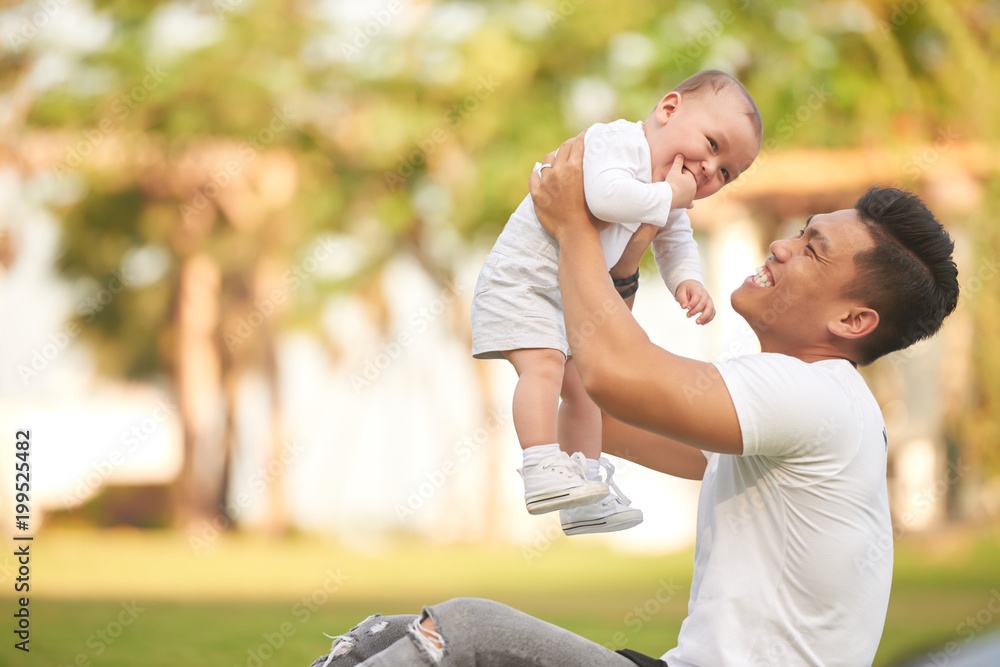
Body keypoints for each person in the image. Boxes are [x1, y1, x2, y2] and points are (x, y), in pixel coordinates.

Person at [307, 134, 960, 666]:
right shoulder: (799, 407)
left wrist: (574, 227)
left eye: (812, 251)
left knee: (464, 632)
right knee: (380, 638)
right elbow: (603, 406)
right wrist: (623, 258)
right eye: (801, 232)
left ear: (853, 321)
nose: (781, 246)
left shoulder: (815, 396)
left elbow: (615, 376)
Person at [471, 70, 762, 535]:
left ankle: (583, 487)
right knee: (544, 366)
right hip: (522, 284)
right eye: (712, 144)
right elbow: (605, 197)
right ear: (668, 110)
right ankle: (540, 464)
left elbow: (676, 240)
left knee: (585, 389)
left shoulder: (669, 191)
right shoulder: (620, 142)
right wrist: (669, 196)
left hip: (562, 297)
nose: (711, 169)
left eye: (727, 172)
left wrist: (687, 280)